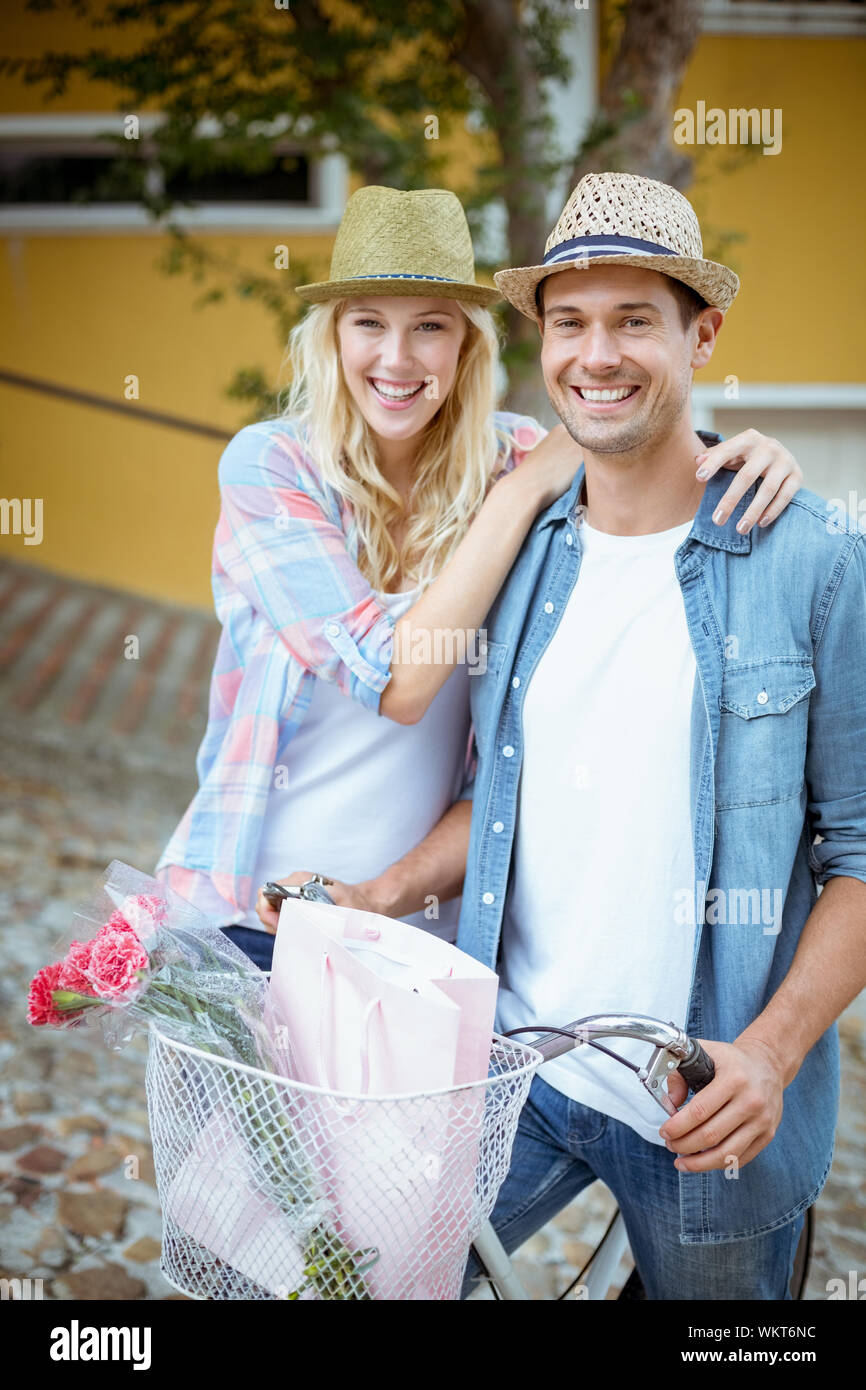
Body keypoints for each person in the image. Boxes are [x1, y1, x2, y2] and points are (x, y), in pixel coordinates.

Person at [310, 172, 866, 1301]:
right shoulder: (520, 553)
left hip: (701, 1110)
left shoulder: (812, 559)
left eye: (631, 321)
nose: (594, 353)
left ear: (700, 333)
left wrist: (769, 1051)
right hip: (512, 1071)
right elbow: (509, 802)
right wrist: (374, 896)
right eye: (568, 322)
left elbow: (858, 847)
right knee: (364, 1285)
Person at [156, 183, 802, 973]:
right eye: (369, 323)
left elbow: (632, 440)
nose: (396, 360)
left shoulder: (511, 453)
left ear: (466, 345)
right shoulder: (272, 467)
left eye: (430, 327)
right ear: (331, 338)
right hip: (250, 907)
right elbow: (395, 681)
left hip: (416, 932)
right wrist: (523, 491)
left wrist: (738, 455)